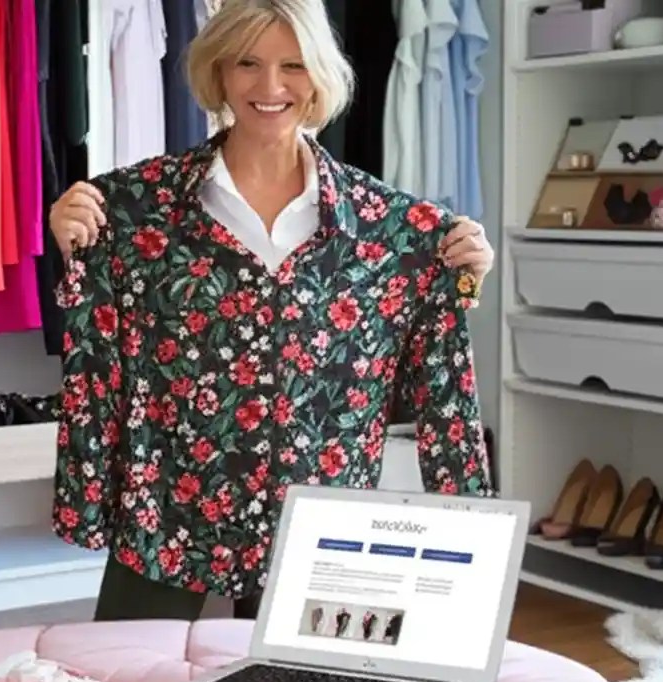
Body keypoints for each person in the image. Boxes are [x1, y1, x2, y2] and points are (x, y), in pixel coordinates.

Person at [49, 0, 494, 624]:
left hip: (321, 519)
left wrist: (464, 279)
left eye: (293, 65)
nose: (271, 86)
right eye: (248, 64)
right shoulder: (136, 207)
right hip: (168, 504)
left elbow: (443, 370)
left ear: (319, 76)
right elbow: (93, 348)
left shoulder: (389, 228)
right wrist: (69, 241)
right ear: (220, 73)